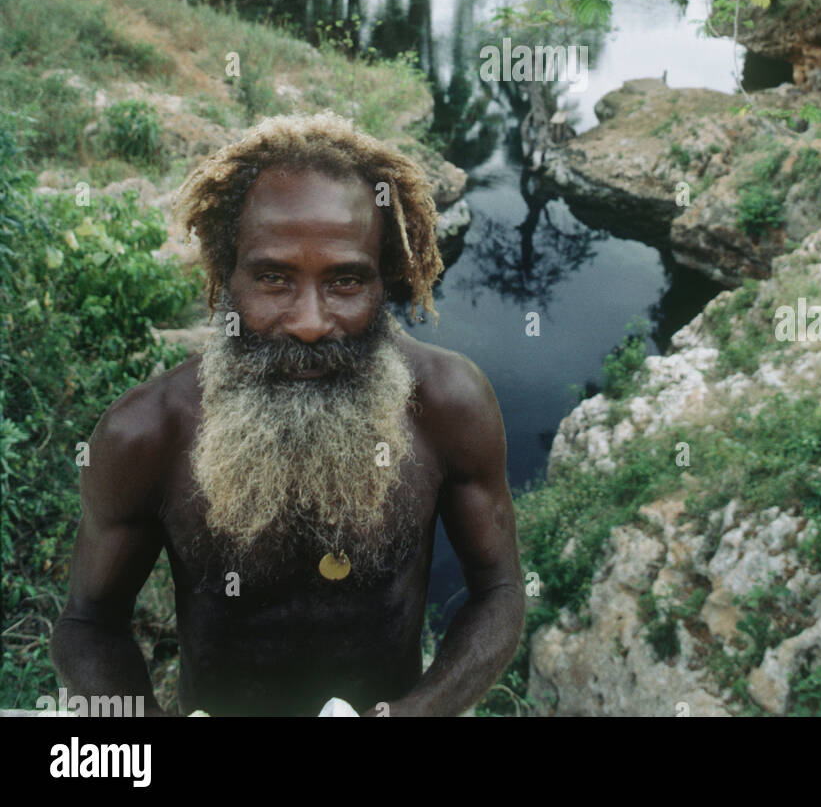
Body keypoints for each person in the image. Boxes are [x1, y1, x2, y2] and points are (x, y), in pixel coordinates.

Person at [51, 111, 525, 716]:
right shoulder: (148, 431)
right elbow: (89, 623)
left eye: (346, 282)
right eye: (273, 279)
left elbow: (500, 592)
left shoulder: (449, 404)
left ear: (387, 283)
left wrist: (421, 711)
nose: (308, 322)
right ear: (225, 277)